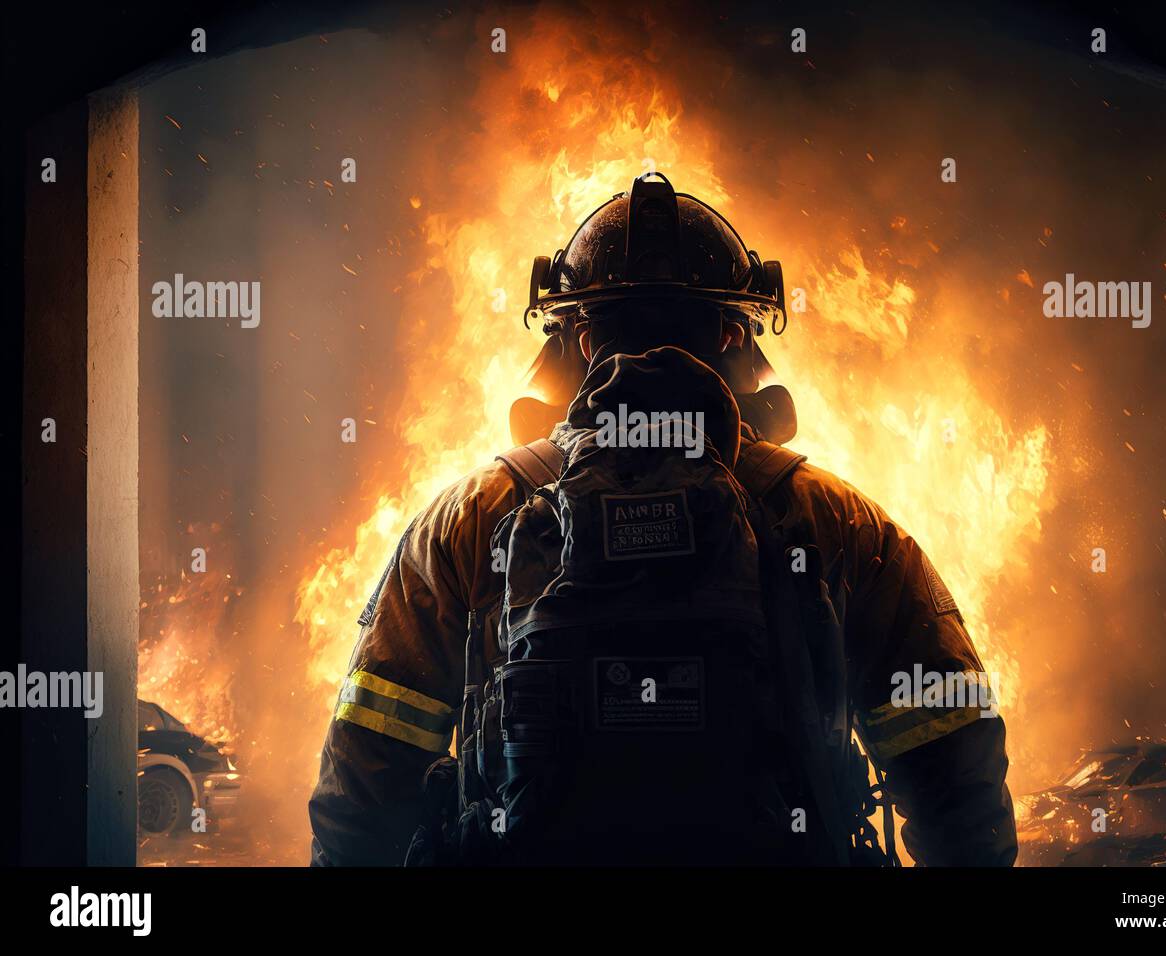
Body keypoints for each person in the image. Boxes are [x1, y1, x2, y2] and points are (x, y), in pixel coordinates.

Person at [308, 173, 1017, 866]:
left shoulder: (469, 519)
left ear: (579, 340)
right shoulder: (834, 520)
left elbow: (369, 776)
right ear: (735, 335)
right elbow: (951, 759)